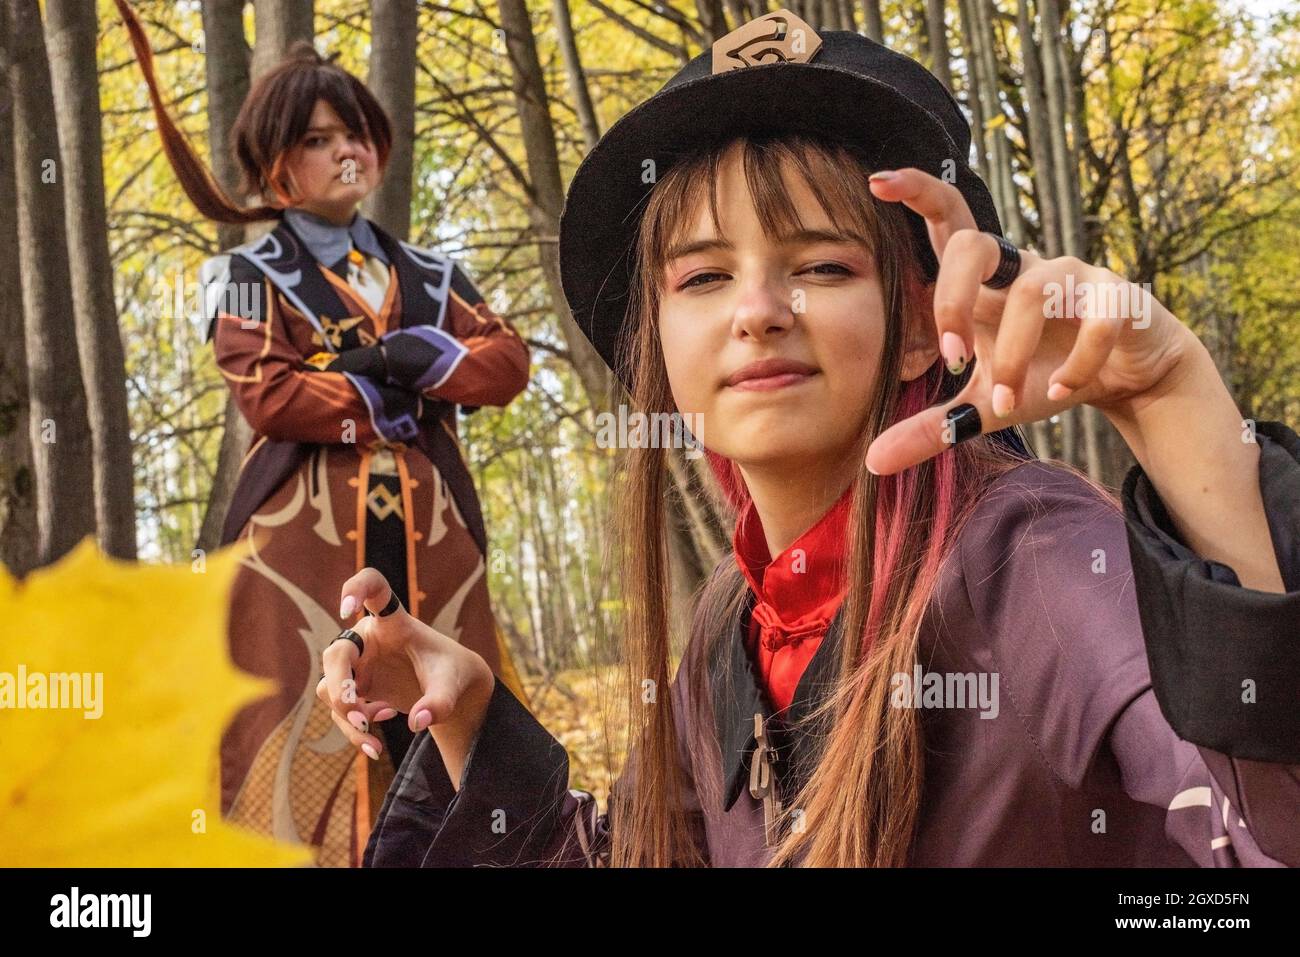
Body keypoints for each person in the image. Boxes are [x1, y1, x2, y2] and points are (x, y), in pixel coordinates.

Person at [320, 11, 1299, 867]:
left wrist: (1178, 412)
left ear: (924, 323)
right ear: (655, 348)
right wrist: (472, 716)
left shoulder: (1045, 563)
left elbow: (1263, 829)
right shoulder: (725, 627)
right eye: (700, 278)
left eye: (822, 266)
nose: (756, 311)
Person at [115, 1, 531, 866]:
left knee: (452, 721)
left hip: (433, 529)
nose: (347, 149)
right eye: (315, 139)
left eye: (356, 132)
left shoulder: (430, 272)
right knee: (296, 741)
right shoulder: (237, 276)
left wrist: (414, 354)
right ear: (276, 173)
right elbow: (266, 393)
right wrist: (376, 387)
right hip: (297, 550)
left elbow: (508, 365)